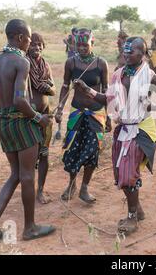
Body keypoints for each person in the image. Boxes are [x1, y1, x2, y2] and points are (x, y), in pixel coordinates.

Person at [75, 37, 156, 235]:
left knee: (128, 173)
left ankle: (132, 217)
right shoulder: (118, 75)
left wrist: (155, 106)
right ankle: (138, 210)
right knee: (121, 173)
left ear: (143, 54)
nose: (126, 54)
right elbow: (107, 99)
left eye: (132, 51)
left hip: (141, 130)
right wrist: (87, 90)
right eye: (125, 51)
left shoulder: (151, 77)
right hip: (123, 130)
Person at [0, 19, 55, 241]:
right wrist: (39, 118)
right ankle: (30, 227)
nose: (30, 43)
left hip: (4, 123)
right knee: (27, 175)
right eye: (29, 39)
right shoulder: (21, 62)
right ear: (20, 37)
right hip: (22, 123)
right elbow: (20, 100)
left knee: (15, 175)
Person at [55, 28, 110, 204]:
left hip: (97, 112)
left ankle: (84, 187)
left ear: (92, 43)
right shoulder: (70, 63)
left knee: (93, 150)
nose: (82, 48)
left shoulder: (101, 64)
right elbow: (65, 85)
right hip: (77, 112)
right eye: (78, 45)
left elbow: (106, 91)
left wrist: (109, 116)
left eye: (85, 45)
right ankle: (72, 184)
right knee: (73, 149)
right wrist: (59, 107)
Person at [27, 33, 56, 204]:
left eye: (40, 45)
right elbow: (39, 86)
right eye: (33, 45)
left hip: (45, 113)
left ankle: (40, 191)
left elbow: (52, 89)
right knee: (29, 155)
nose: (37, 48)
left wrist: (45, 86)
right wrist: (45, 86)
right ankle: (29, 190)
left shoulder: (45, 64)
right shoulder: (24, 64)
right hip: (29, 116)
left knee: (44, 153)